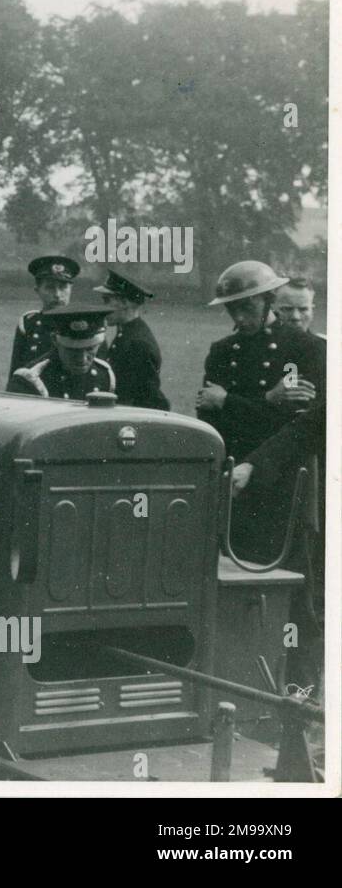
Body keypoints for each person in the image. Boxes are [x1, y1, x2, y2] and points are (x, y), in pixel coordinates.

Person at [197, 260, 324, 563]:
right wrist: (268, 401)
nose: (240, 317)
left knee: (290, 579)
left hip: (283, 479)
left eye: (247, 307)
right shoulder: (222, 351)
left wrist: (230, 401)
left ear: (268, 300)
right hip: (235, 477)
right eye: (232, 309)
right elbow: (209, 418)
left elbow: (299, 423)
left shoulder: (304, 348)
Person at [232, 401, 325, 691]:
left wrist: (255, 465)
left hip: (292, 494)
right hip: (255, 489)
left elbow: (310, 423)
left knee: (298, 603)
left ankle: (300, 695)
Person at [94, 267, 169, 410]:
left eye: (107, 300)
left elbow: (149, 398)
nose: (103, 307)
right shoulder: (128, 333)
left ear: (124, 302)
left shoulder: (137, 344)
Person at [7, 305, 116, 400]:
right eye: (73, 350)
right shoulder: (30, 380)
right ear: (55, 340)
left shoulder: (105, 376)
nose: (82, 358)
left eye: (90, 349)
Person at [9, 255, 79, 376]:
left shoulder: (86, 324)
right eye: (50, 287)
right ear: (38, 290)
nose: (57, 294)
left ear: (71, 289)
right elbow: (16, 373)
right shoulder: (28, 325)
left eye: (63, 287)